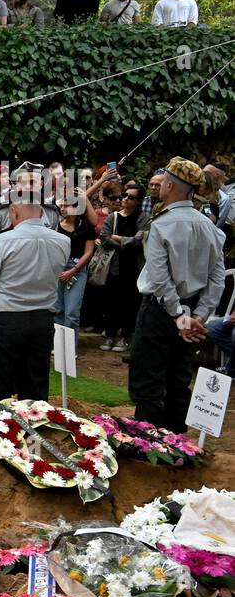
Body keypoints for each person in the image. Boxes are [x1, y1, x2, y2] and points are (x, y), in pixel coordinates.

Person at [129, 158, 226, 431]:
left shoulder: (162, 223)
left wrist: (178, 315)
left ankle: (146, 438)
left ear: (169, 184)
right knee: (179, 376)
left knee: (148, 377)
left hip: (161, 311)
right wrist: (197, 315)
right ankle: (175, 440)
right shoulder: (209, 227)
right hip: (191, 311)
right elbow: (217, 277)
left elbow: (160, 278)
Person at [0, 184, 71, 427]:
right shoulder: (62, 241)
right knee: (34, 385)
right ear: (41, 213)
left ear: (14, 212)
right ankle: (31, 438)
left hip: (6, 319)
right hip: (41, 321)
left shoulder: (4, 240)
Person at [97, 182, 147, 353]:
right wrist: (126, 241)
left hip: (134, 268)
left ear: (139, 201)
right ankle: (110, 335)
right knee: (112, 302)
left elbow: (140, 242)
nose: (125, 199)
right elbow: (104, 237)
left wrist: (119, 239)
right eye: (124, 195)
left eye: (131, 197)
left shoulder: (144, 218)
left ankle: (125, 337)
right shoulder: (114, 217)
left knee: (131, 303)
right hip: (115, 266)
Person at [53, 194, 98, 341]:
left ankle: (70, 348)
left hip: (77, 268)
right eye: (62, 205)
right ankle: (59, 347)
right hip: (58, 267)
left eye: (67, 205)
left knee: (72, 311)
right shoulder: (56, 226)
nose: (63, 208)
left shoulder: (86, 227)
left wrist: (74, 270)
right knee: (58, 309)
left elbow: (89, 252)